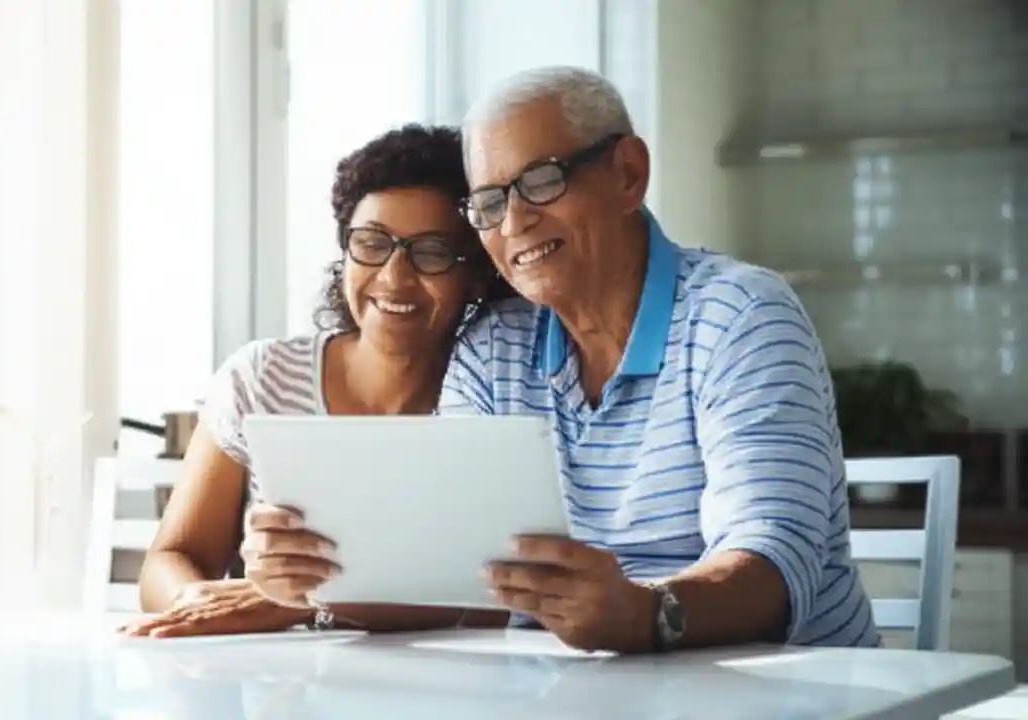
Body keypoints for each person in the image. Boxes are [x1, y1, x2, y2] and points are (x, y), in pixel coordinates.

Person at [245, 67, 879, 652]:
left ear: (628, 173)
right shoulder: (492, 349)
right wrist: (314, 581)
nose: (514, 222)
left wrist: (645, 613)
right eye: (490, 202)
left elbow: (773, 564)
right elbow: (462, 578)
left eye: (543, 181)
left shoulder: (739, 314)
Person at [121, 125, 513, 638]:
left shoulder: (498, 394)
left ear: (476, 275)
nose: (394, 277)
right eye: (371, 243)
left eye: (432, 252)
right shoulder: (260, 379)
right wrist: (199, 603)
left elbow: (491, 599)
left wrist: (300, 605)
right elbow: (171, 558)